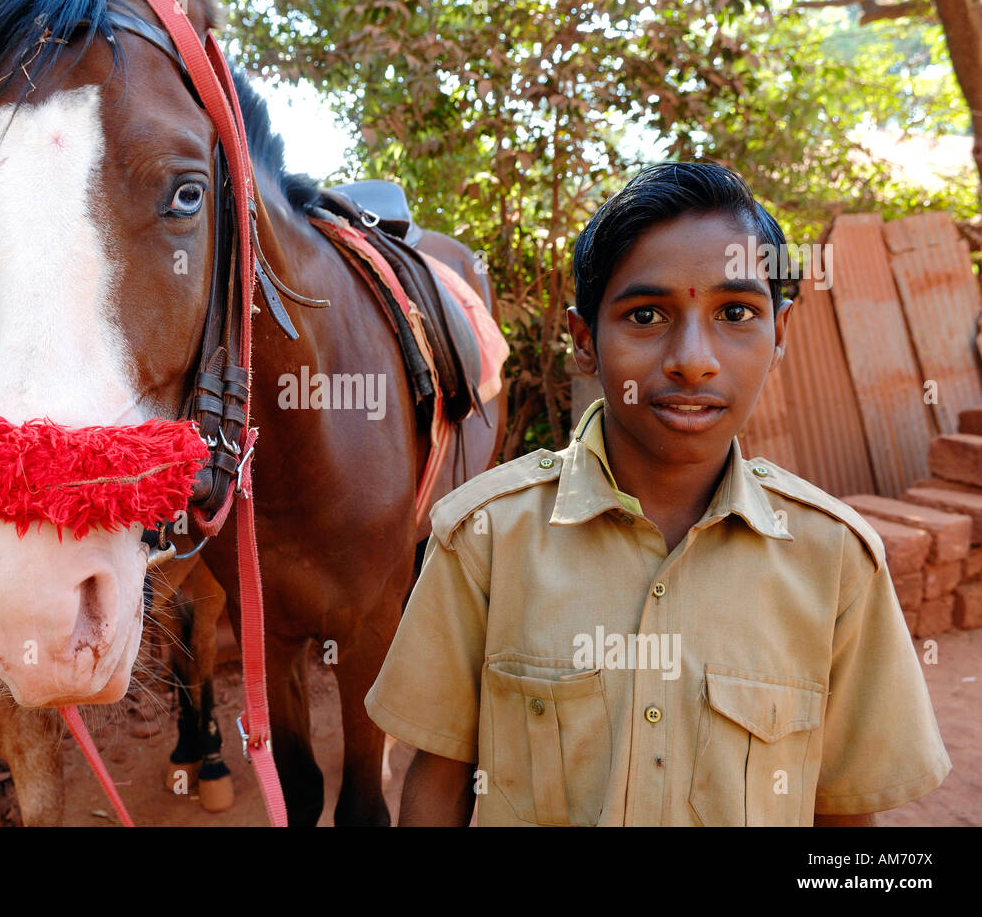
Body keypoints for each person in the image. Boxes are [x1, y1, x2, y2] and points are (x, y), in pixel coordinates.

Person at [365, 161, 951, 826]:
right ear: (586, 343)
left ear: (780, 334)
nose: (693, 357)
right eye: (646, 314)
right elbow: (437, 781)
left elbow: (842, 814)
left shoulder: (839, 561)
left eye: (736, 312)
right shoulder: (484, 539)